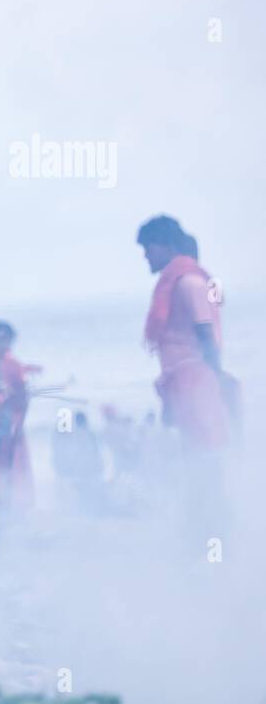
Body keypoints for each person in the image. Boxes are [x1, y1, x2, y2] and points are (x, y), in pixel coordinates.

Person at [137, 216, 232, 528]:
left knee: (206, 458)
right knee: (194, 458)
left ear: (167, 246)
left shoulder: (188, 283)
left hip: (197, 381)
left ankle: (215, 533)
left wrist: (215, 380)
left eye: (148, 248)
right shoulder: (175, 283)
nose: (145, 256)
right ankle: (203, 530)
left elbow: (206, 334)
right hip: (184, 383)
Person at [0, 320, 38, 511]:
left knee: (13, 470)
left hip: (9, 429)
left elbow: (24, 399)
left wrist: (13, 423)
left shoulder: (13, 365)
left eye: (2, 338)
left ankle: (14, 510)